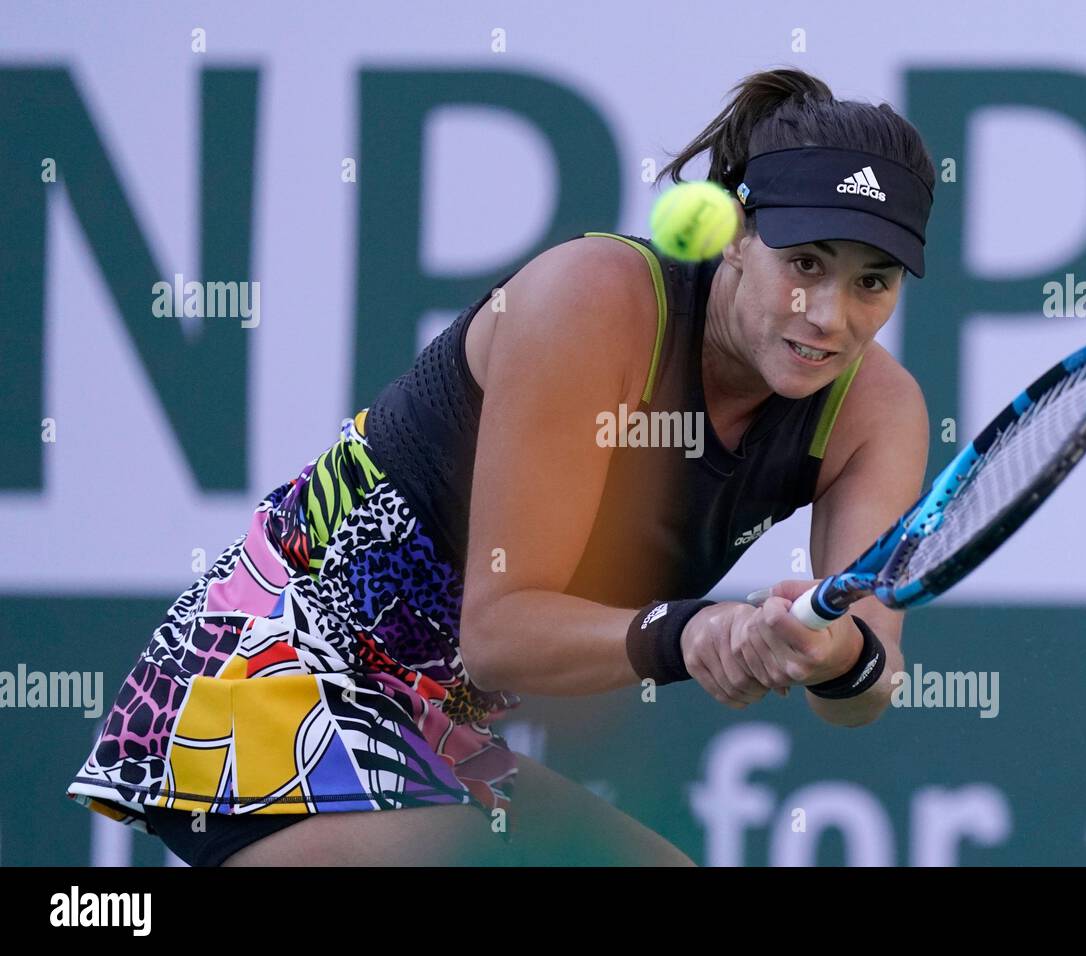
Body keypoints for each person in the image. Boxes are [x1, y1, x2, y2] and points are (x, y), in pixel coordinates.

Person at [65, 66, 934, 866]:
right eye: (804, 264)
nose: (828, 314)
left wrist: (823, 653)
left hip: (434, 728)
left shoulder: (878, 415)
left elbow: (867, 682)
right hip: (263, 682)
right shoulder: (592, 297)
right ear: (735, 235)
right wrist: (697, 633)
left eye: (872, 281)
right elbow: (502, 635)